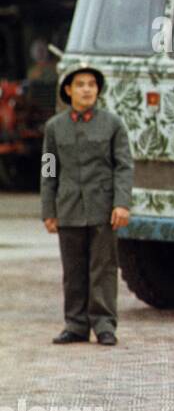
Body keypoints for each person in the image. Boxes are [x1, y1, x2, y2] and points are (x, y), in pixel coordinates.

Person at [40, 64, 133, 346]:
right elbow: (49, 169)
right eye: (80, 84)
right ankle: (76, 324)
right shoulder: (55, 127)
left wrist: (122, 204)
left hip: (103, 208)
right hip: (68, 208)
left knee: (103, 268)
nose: (86, 89)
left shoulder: (113, 124)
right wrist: (48, 210)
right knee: (73, 270)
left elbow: (124, 166)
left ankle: (104, 325)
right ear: (68, 90)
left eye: (91, 84)